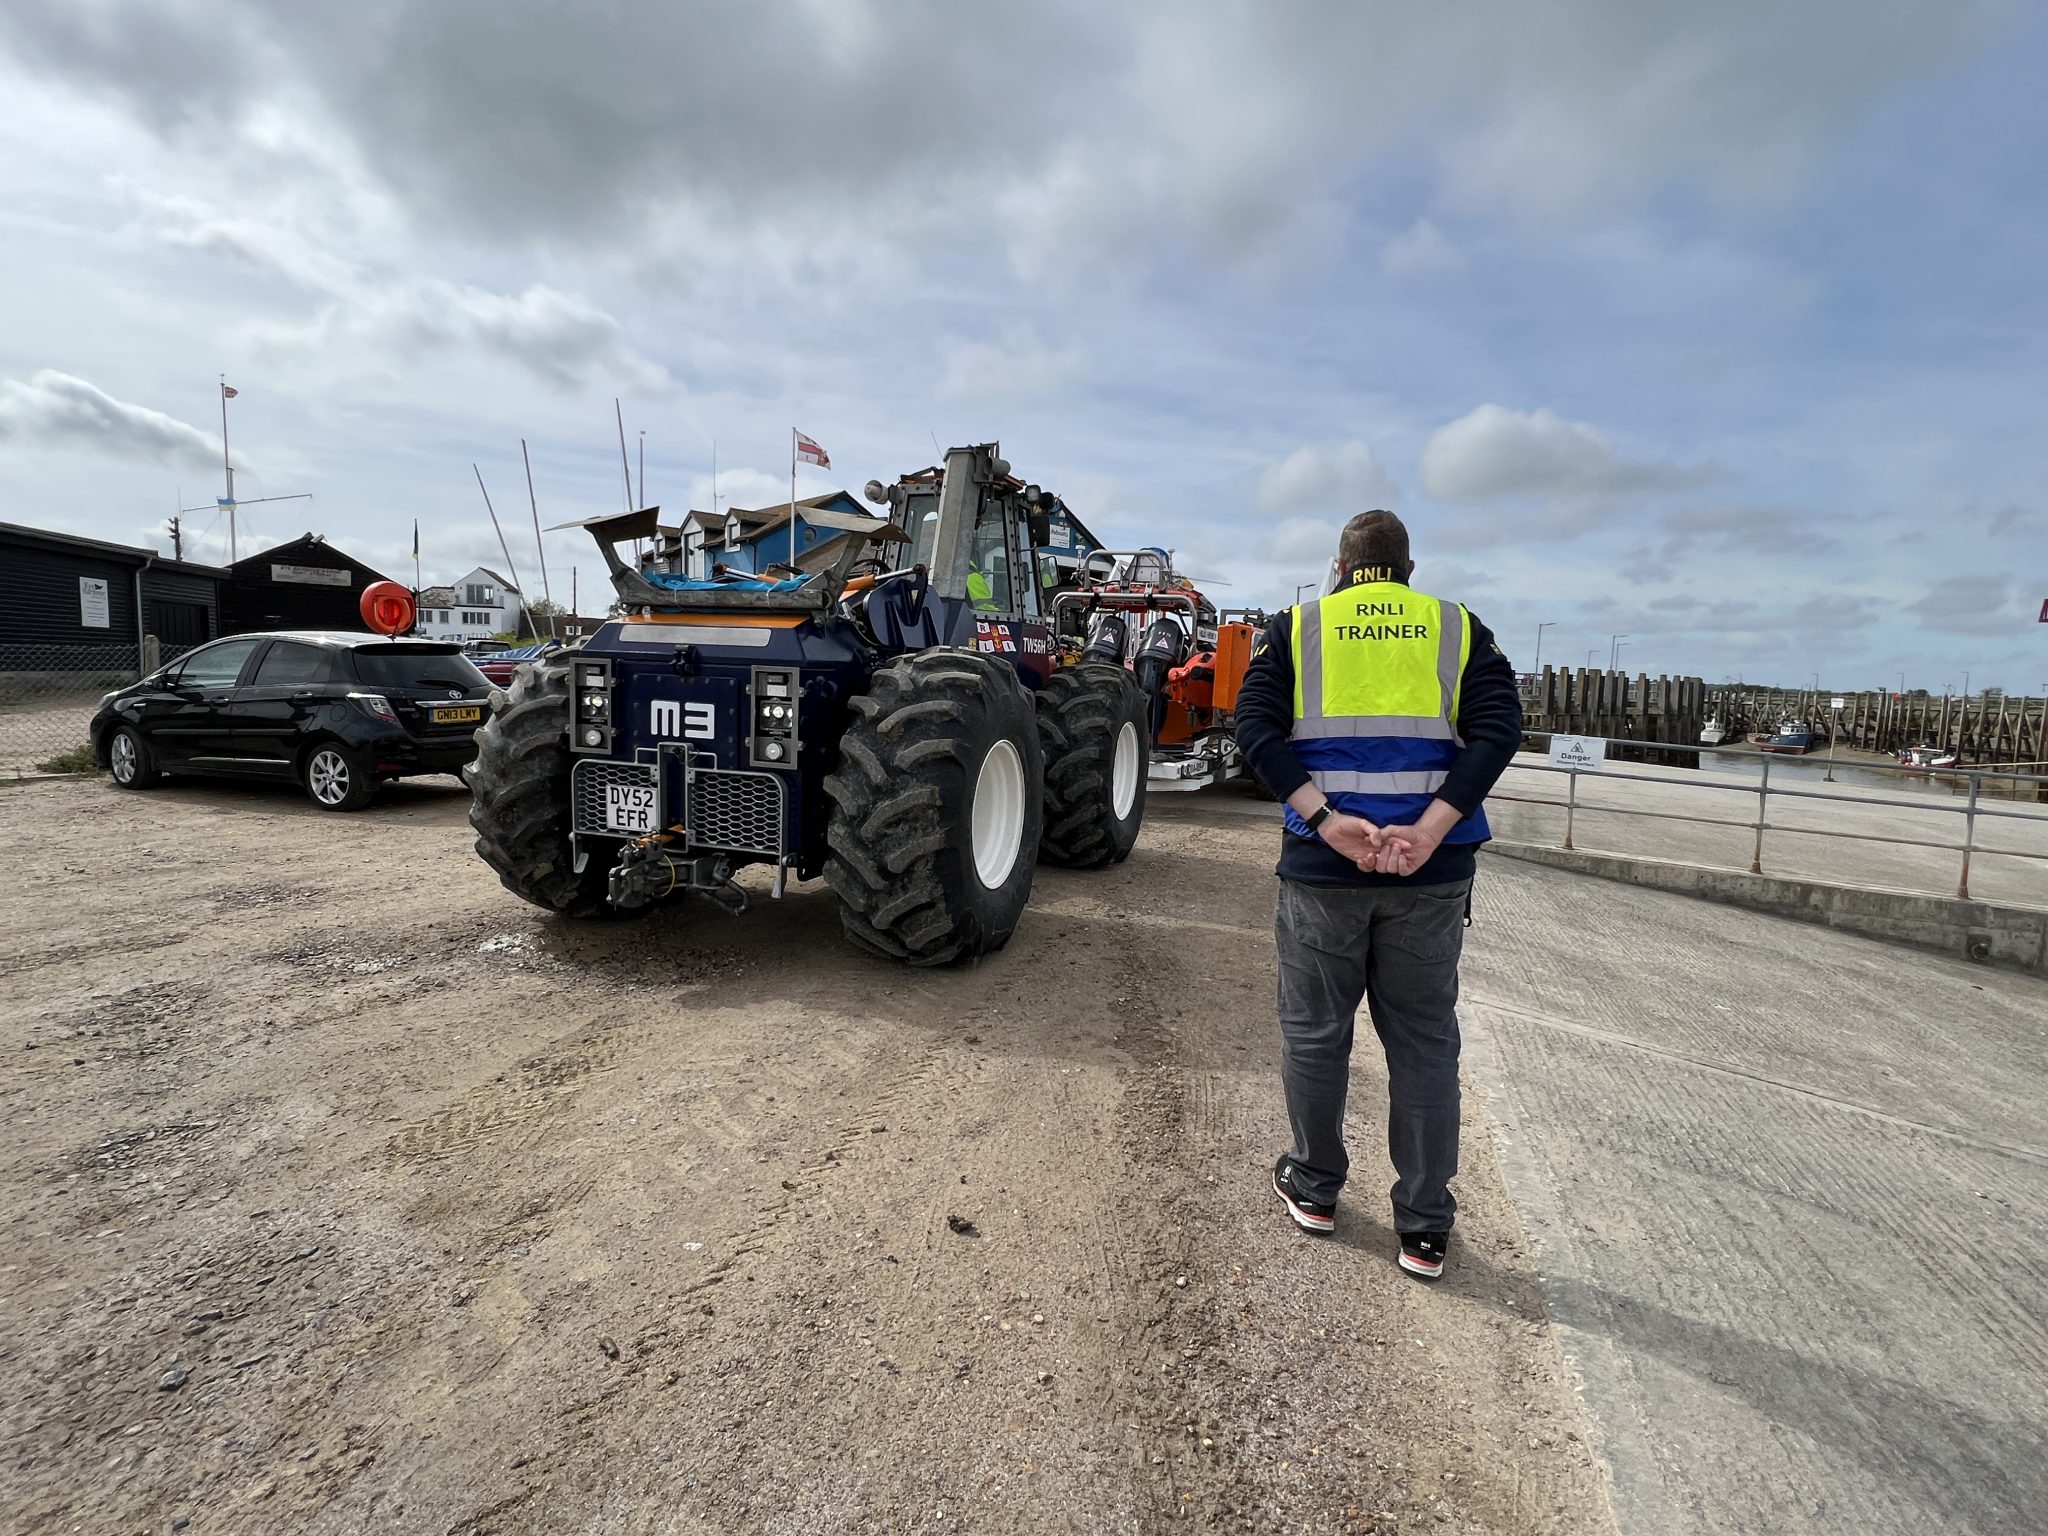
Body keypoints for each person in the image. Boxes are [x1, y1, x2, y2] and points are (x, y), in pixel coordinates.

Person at [1232, 509, 1523, 1279]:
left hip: (1324, 870)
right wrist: (1427, 830)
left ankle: (1314, 1187)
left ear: (1340, 567)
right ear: (1408, 571)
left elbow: (1253, 729)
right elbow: (1500, 730)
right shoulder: (1456, 628)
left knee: (1315, 1034)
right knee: (1424, 1042)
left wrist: (1325, 820)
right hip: (1431, 873)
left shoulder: (1298, 627)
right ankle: (1424, 1226)